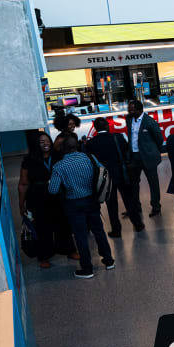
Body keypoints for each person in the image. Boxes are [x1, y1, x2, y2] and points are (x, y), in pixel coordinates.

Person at [47, 135, 114, 278]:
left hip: (73, 204)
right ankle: (108, 261)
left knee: (81, 236)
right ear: (77, 146)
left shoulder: (59, 166)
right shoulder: (89, 158)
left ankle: (87, 269)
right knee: (99, 231)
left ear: (63, 149)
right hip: (92, 200)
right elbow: (102, 172)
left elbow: (52, 190)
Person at [18, 132, 76, 268]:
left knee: (63, 224)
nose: (46, 144)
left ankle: (69, 250)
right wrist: (21, 204)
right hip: (38, 198)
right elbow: (23, 184)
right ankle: (44, 256)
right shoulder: (29, 161)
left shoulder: (58, 156)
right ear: (35, 144)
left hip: (58, 196)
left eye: (47, 141)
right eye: (42, 142)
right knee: (42, 227)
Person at [84, 117, 144, 237]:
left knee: (111, 205)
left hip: (104, 177)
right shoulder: (118, 137)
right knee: (129, 200)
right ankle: (138, 224)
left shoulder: (91, 143)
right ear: (107, 126)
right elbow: (127, 151)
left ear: (95, 129)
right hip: (121, 174)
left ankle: (116, 230)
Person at [126, 100, 164, 217]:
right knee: (133, 183)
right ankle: (135, 207)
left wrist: (151, 151)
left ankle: (156, 206)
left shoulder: (150, 122)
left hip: (148, 157)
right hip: (134, 156)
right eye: (129, 109)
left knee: (153, 183)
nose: (129, 111)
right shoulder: (128, 119)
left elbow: (159, 139)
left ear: (139, 110)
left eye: (132, 109)